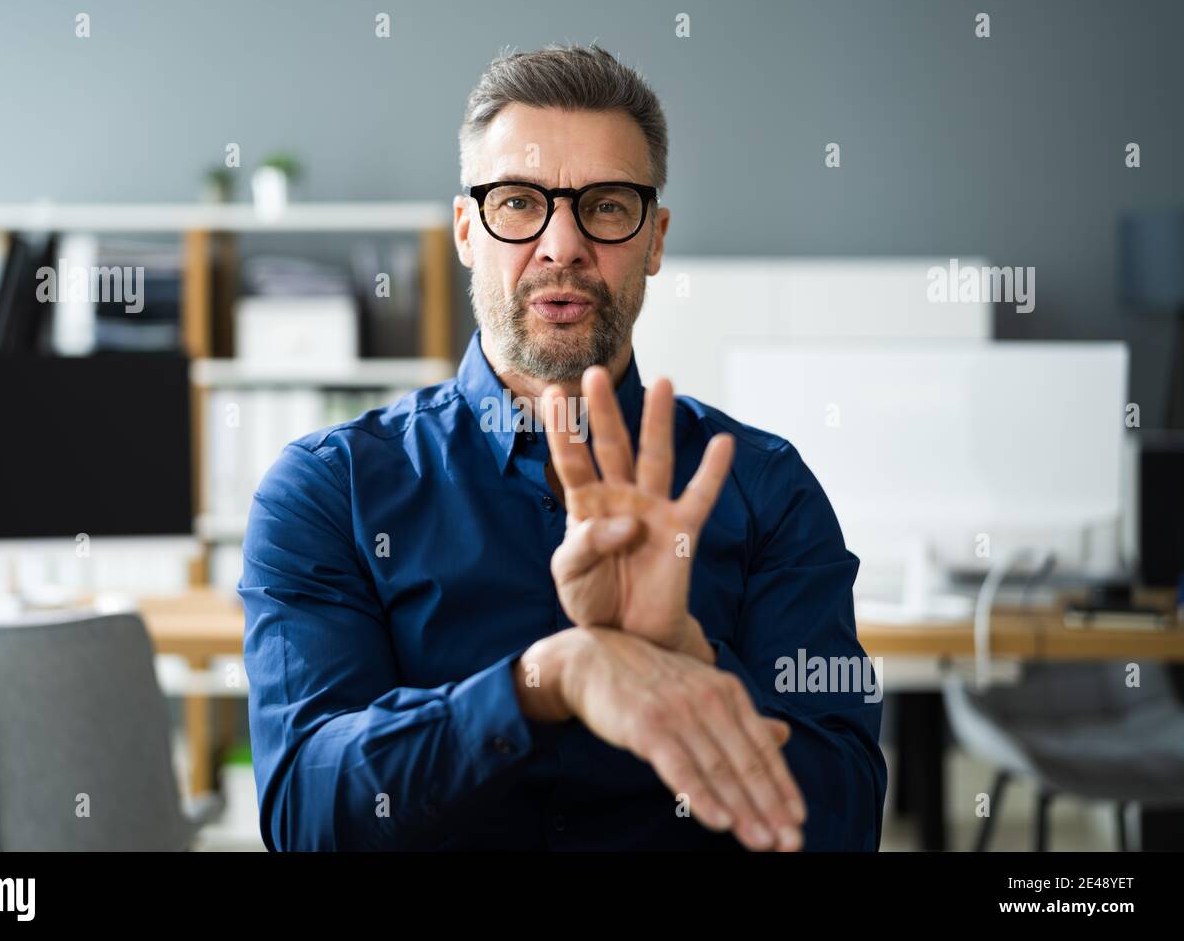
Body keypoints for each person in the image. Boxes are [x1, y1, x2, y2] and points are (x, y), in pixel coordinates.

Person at [241, 42, 886, 851]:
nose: (562, 245)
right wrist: (545, 682)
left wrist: (691, 660)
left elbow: (847, 820)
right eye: (518, 202)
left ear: (654, 240)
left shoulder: (767, 487)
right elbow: (306, 812)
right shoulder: (329, 490)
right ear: (467, 230)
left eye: (608, 205)